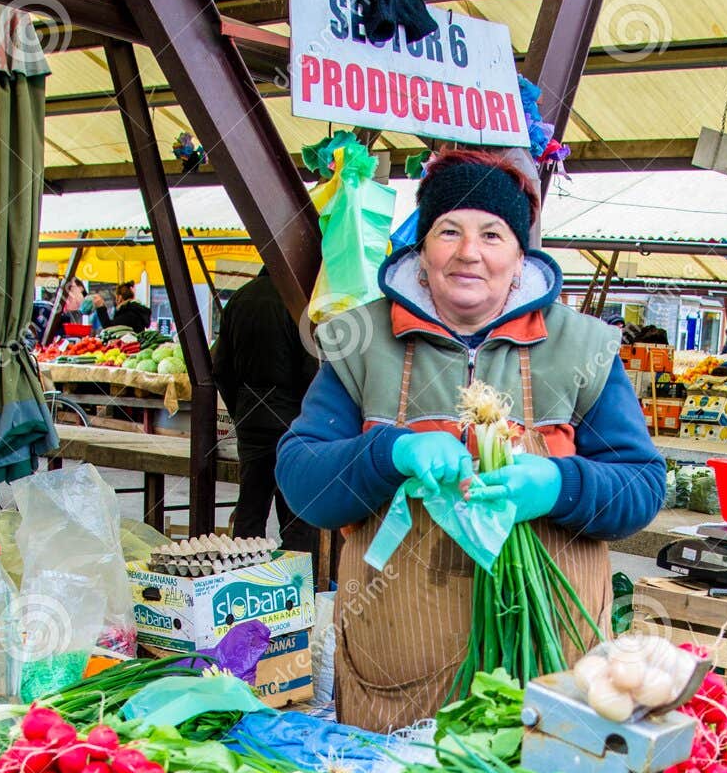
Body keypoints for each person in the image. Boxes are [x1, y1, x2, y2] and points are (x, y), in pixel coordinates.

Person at [277, 148, 669, 733]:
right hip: (396, 673)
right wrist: (389, 452)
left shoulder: (582, 348)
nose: (469, 252)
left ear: (519, 253)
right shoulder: (360, 342)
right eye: (448, 231)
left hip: (548, 664)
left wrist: (560, 484)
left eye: (492, 233)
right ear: (422, 246)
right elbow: (304, 483)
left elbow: (640, 486)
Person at [211, 266, 319, 547]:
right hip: (294, 421)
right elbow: (312, 372)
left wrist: (241, 411)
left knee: (250, 509)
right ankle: (296, 586)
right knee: (297, 515)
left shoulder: (239, 299)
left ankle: (247, 581)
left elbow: (220, 368)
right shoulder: (300, 303)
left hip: (252, 418)